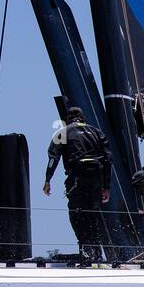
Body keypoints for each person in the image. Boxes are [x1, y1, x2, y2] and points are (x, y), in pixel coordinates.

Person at [44, 107, 111, 263]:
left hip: (78, 180)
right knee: (93, 216)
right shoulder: (97, 132)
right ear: (83, 118)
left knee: (77, 215)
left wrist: (48, 180)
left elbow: (53, 158)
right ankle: (97, 254)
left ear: (68, 119)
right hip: (96, 182)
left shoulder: (63, 132)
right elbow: (108, 161)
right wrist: (107, 186)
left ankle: (86, 254)